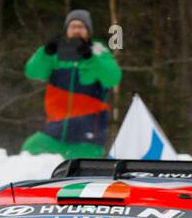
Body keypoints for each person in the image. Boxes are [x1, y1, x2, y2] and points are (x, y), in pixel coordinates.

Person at [22, 9, 123, 159]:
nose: (76, 30)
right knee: (30, 150)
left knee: (81, 171)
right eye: (72, 26)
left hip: (87, 136)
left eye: (81, 27)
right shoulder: (56, 52)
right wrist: (45, 54)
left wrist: (90, 58)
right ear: (66, 30)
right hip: (55, 131)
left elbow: (113, 78)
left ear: (88, 31)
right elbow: (32, 72)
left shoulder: (99, 52)